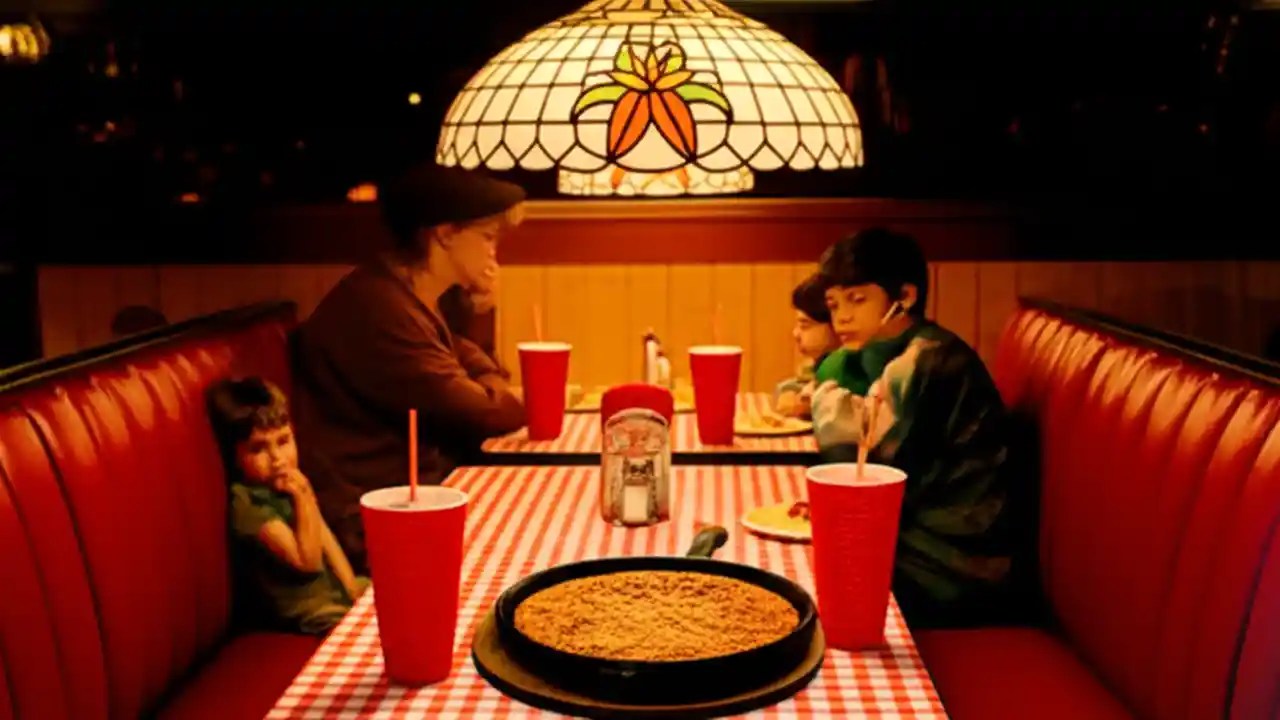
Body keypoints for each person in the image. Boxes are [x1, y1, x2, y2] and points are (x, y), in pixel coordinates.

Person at [291, 163, 527, 573]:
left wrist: (477, 312)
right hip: (372, 519)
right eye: (487, 237)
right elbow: (488, 412)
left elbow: (471, 368)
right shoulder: (379, 309)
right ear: (444, 233)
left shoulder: (405, 296)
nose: (494, 253)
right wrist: (497, 388)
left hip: (414, 496)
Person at [810, 228, 1023, 629]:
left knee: (817, 579)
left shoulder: (930, 360)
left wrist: (822, 392)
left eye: (858, 299)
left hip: (961, 563)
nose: (843, 316)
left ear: (904, 298)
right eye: (834, 304)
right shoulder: (887, 354)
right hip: (927, 539)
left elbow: (860, 456)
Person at [207, 377, 368, 635]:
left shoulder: (287, 485)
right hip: (307, 609)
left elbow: (324, 537)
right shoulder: (248, 503)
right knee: (366, 631)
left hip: (335, 593)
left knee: (393, 594)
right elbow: (308, 561)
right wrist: (303, 497)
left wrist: (351, 589)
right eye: (259, 448)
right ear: (234, 457)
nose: (277, 459)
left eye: (283, 441)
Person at [774, 274, 839, 418]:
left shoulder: (840, 365)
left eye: (805, 325)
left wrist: (806, 407)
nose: (795, 334)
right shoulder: (819, 364)